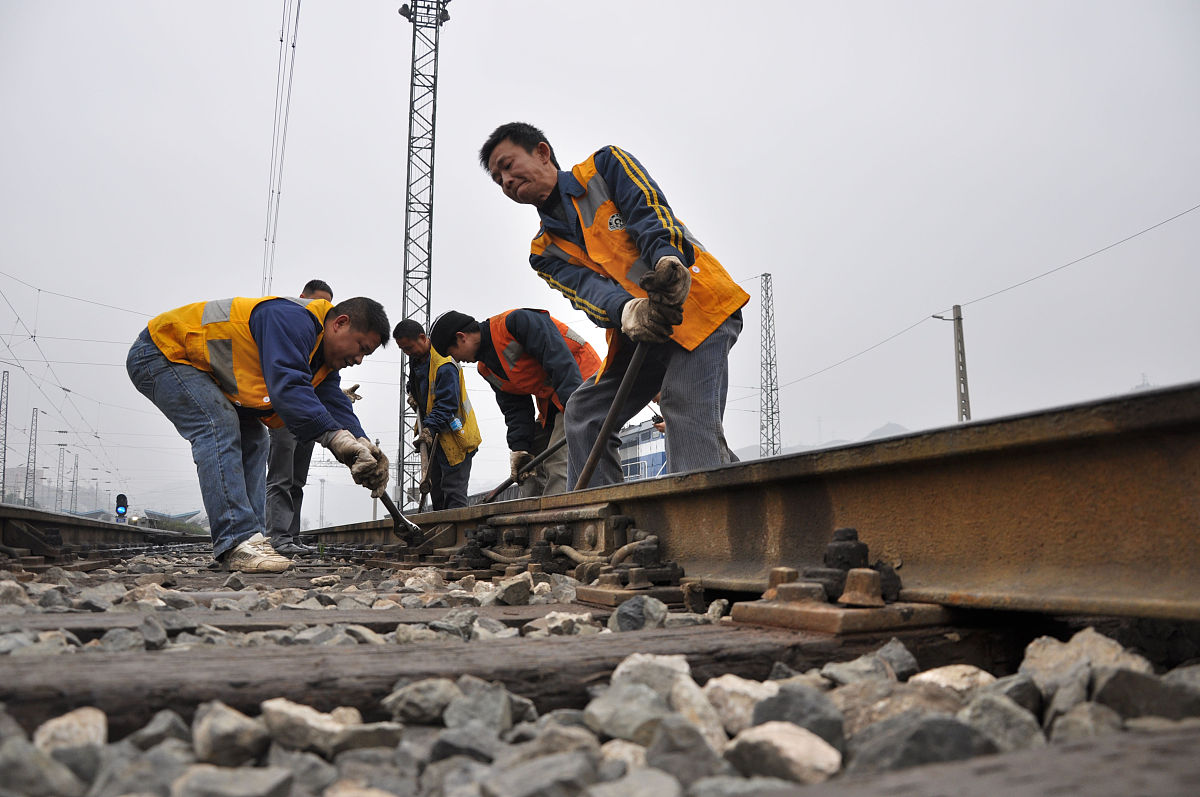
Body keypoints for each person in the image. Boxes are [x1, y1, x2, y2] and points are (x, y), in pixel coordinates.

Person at [479, 122, 750, 488]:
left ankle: (705, 509)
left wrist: (668, 261)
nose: (506, 181)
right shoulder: (544, 252)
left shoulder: (605, 168)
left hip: (700, 306)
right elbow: (587, 291)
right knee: (584, 412)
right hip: (641, 331)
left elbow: (648, 213)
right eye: (498, 179)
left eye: (508, 166)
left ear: (542, 153)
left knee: (683, 402)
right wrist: (628, 311)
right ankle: (602, 511)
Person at [127, 294, 391, 573]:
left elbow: (333, 402)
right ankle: (236, 541)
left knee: (254, 438)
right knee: (218, 424)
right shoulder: (292, 320)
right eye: (361, 348)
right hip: (162, 353)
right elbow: (289, 386)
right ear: (340, 323)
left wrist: (362, 445)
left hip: (199, 370)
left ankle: (253, 540)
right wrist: (336, 439)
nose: (359, 360)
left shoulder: (320, 358)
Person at [430, 308, 600, 497]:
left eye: (451, 352)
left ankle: (558, 514)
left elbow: (560, 362)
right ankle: (530, 511)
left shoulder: (515, 323)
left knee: (558, 458)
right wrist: (520, 448)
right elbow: (516, 409)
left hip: (582, 385)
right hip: (553, 401)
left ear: (461, 337)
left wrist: (574, 411)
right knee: (529, 461)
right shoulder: (487, 369)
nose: (456, 360)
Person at [265, 279, 335, 556]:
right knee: (281, 477)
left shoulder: (321, 339)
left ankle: (290, 536)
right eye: (318, 302)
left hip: (308, 415)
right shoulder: (291, 325)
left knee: (297, 480)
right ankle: (278, 537)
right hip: (284, 413)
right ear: (303, 297)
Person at [393, 318, 481, 510]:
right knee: (437, 495)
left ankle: (457, 528)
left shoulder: (444, 364)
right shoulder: (416, 359)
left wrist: (429, 429)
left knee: (454, 495)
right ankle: (441, 528)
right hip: (435, 438)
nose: (407, 353)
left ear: (422, 338)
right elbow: (418, 383)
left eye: (409, 348)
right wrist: (413, 392)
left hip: (456, 438)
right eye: (403, 349)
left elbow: (447, 404)